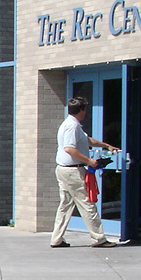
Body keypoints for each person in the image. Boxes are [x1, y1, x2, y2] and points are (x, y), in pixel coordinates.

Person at [50, 97, 120, 248]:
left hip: (64, 170)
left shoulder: (71, 125)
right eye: (85, 109)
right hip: (72, 171)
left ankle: (56, 239)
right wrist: (89, 161)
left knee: (65, 205)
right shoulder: (71, 126)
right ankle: (99, 238)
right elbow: (69, 148)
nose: (86, 112)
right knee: (87, 203)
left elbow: (88, 140)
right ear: (81, 110)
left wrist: (106, 146)